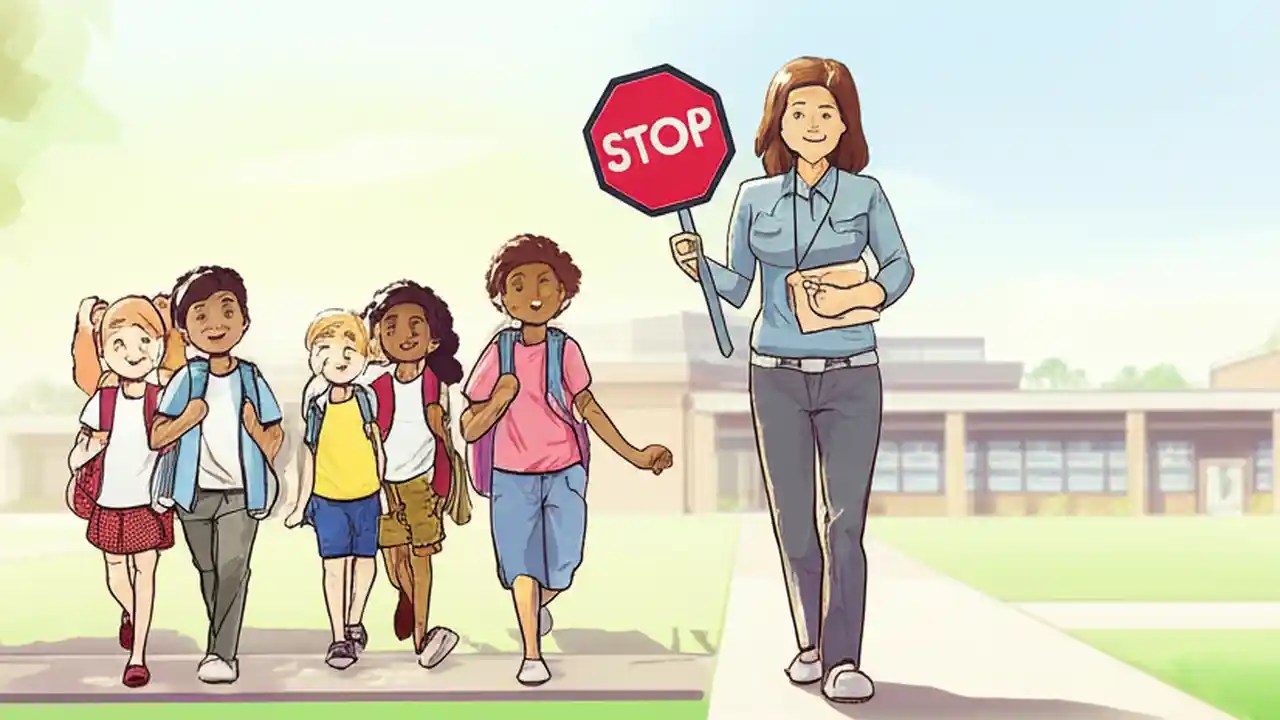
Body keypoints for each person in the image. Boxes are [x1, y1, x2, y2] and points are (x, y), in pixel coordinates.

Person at [667, 57, 915, 704]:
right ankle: (809, 643)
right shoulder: (754, 198)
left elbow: (899, 266)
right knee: (793, 523)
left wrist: (861, 294)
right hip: (774, 374)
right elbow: (739, 287)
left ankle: (843, 658)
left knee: (843, 523)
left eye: (826, 112)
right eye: (798, 111)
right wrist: (701, 269)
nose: (812, 123)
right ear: (778, 122)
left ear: (845, 124)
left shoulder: (866, 195)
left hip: (852, 374)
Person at [461, 234, 673, 686]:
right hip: (510, 476)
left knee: (563, 566)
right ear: (502, 296)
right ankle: (531, 654)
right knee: (520, 566)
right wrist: (500, 399)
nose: (532, 294)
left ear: (563, 295)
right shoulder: (497, 353)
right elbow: (469, 426)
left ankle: (537, 609)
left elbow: (589, 408)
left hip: (564, 472)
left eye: (544, 283)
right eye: (518, 284)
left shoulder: (566, 350)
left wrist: (636, 455)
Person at [149, 266, 285, 685]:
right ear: (185, 329)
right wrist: (189, 417)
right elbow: (157, 435)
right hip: (194, 493)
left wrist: (255, 429)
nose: (215, 324)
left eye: (226, 312)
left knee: (232, 567)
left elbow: (275, 436)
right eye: (200, 315)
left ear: (243, 321)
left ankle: (222, 653)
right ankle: (219, 640)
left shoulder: (250, 376)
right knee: (207, 569)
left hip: (240, 494)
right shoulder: (187, 379)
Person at [67, 296, 176, 689]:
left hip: (147, 503)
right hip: (109, 502)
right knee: (116, 573)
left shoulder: (161, 397)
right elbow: (76, 456)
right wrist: (90, 448)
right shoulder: (103, 401)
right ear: (104, 352)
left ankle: (138, 655)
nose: (134, 353)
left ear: (160, 344)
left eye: (144, 341)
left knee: (145, 573)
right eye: (120, 345)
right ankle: (132, 614)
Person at [359, 281, 465, 669]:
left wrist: (442, 483)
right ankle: (407, 596)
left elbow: (448, 439)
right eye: (391, 327)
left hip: (422, 485)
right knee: (394, 560)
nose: (404, 336)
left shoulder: (439, 384)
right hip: (384, 486)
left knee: (421, 558)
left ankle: (423, 636)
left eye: (414, 326)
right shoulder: (376, 385)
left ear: (433, 339)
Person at [286, 310, 386, 670]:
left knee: (365, 563)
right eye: (325, 349)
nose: (338, 359)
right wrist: (300, 503)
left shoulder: (365, 399)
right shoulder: (316, 405)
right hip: (328, 498)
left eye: (349, 350)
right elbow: (307, 454)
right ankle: (338, 637)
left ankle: (354, 620)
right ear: (313, 357)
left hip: (367, 495)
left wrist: (383, 488)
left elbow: (376, 444)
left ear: (363, 355)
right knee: (334, 566)